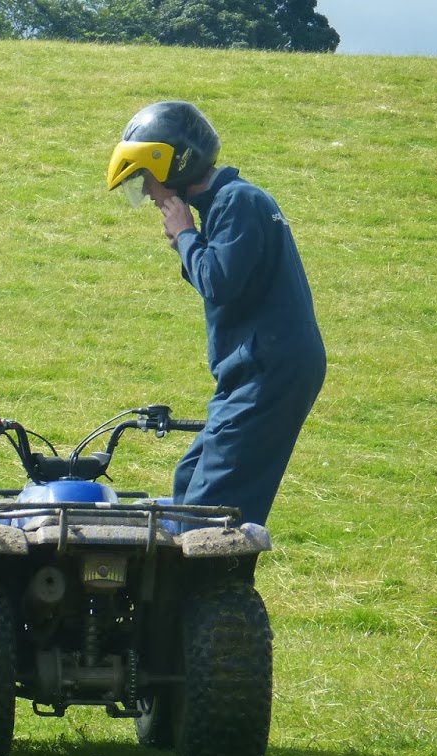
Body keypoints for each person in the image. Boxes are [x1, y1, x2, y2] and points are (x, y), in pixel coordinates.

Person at [107, 101, 325, 528]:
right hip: (259, 368)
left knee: (211, 506)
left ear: (173, 165)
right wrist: (190, 241)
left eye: (147, 179)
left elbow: (219, 283)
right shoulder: (230, 203)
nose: (148, 193)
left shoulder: (238, 201)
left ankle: (215, 570)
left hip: (267, 371)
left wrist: (186, 235)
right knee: (191, 479)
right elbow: (229, 283)